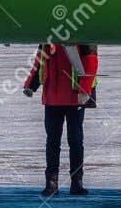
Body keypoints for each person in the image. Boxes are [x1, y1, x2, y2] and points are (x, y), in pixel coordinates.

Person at [23, 42, 98, 197]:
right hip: (52, 99)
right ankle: (52, 183)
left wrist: (85, 89)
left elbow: (90, 61)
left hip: (75, 98)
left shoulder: (82, 36)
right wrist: (31, 84)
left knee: (75, 141)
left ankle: (76, 182)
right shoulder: (47, 40)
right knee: (53, 142)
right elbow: (40, 61)